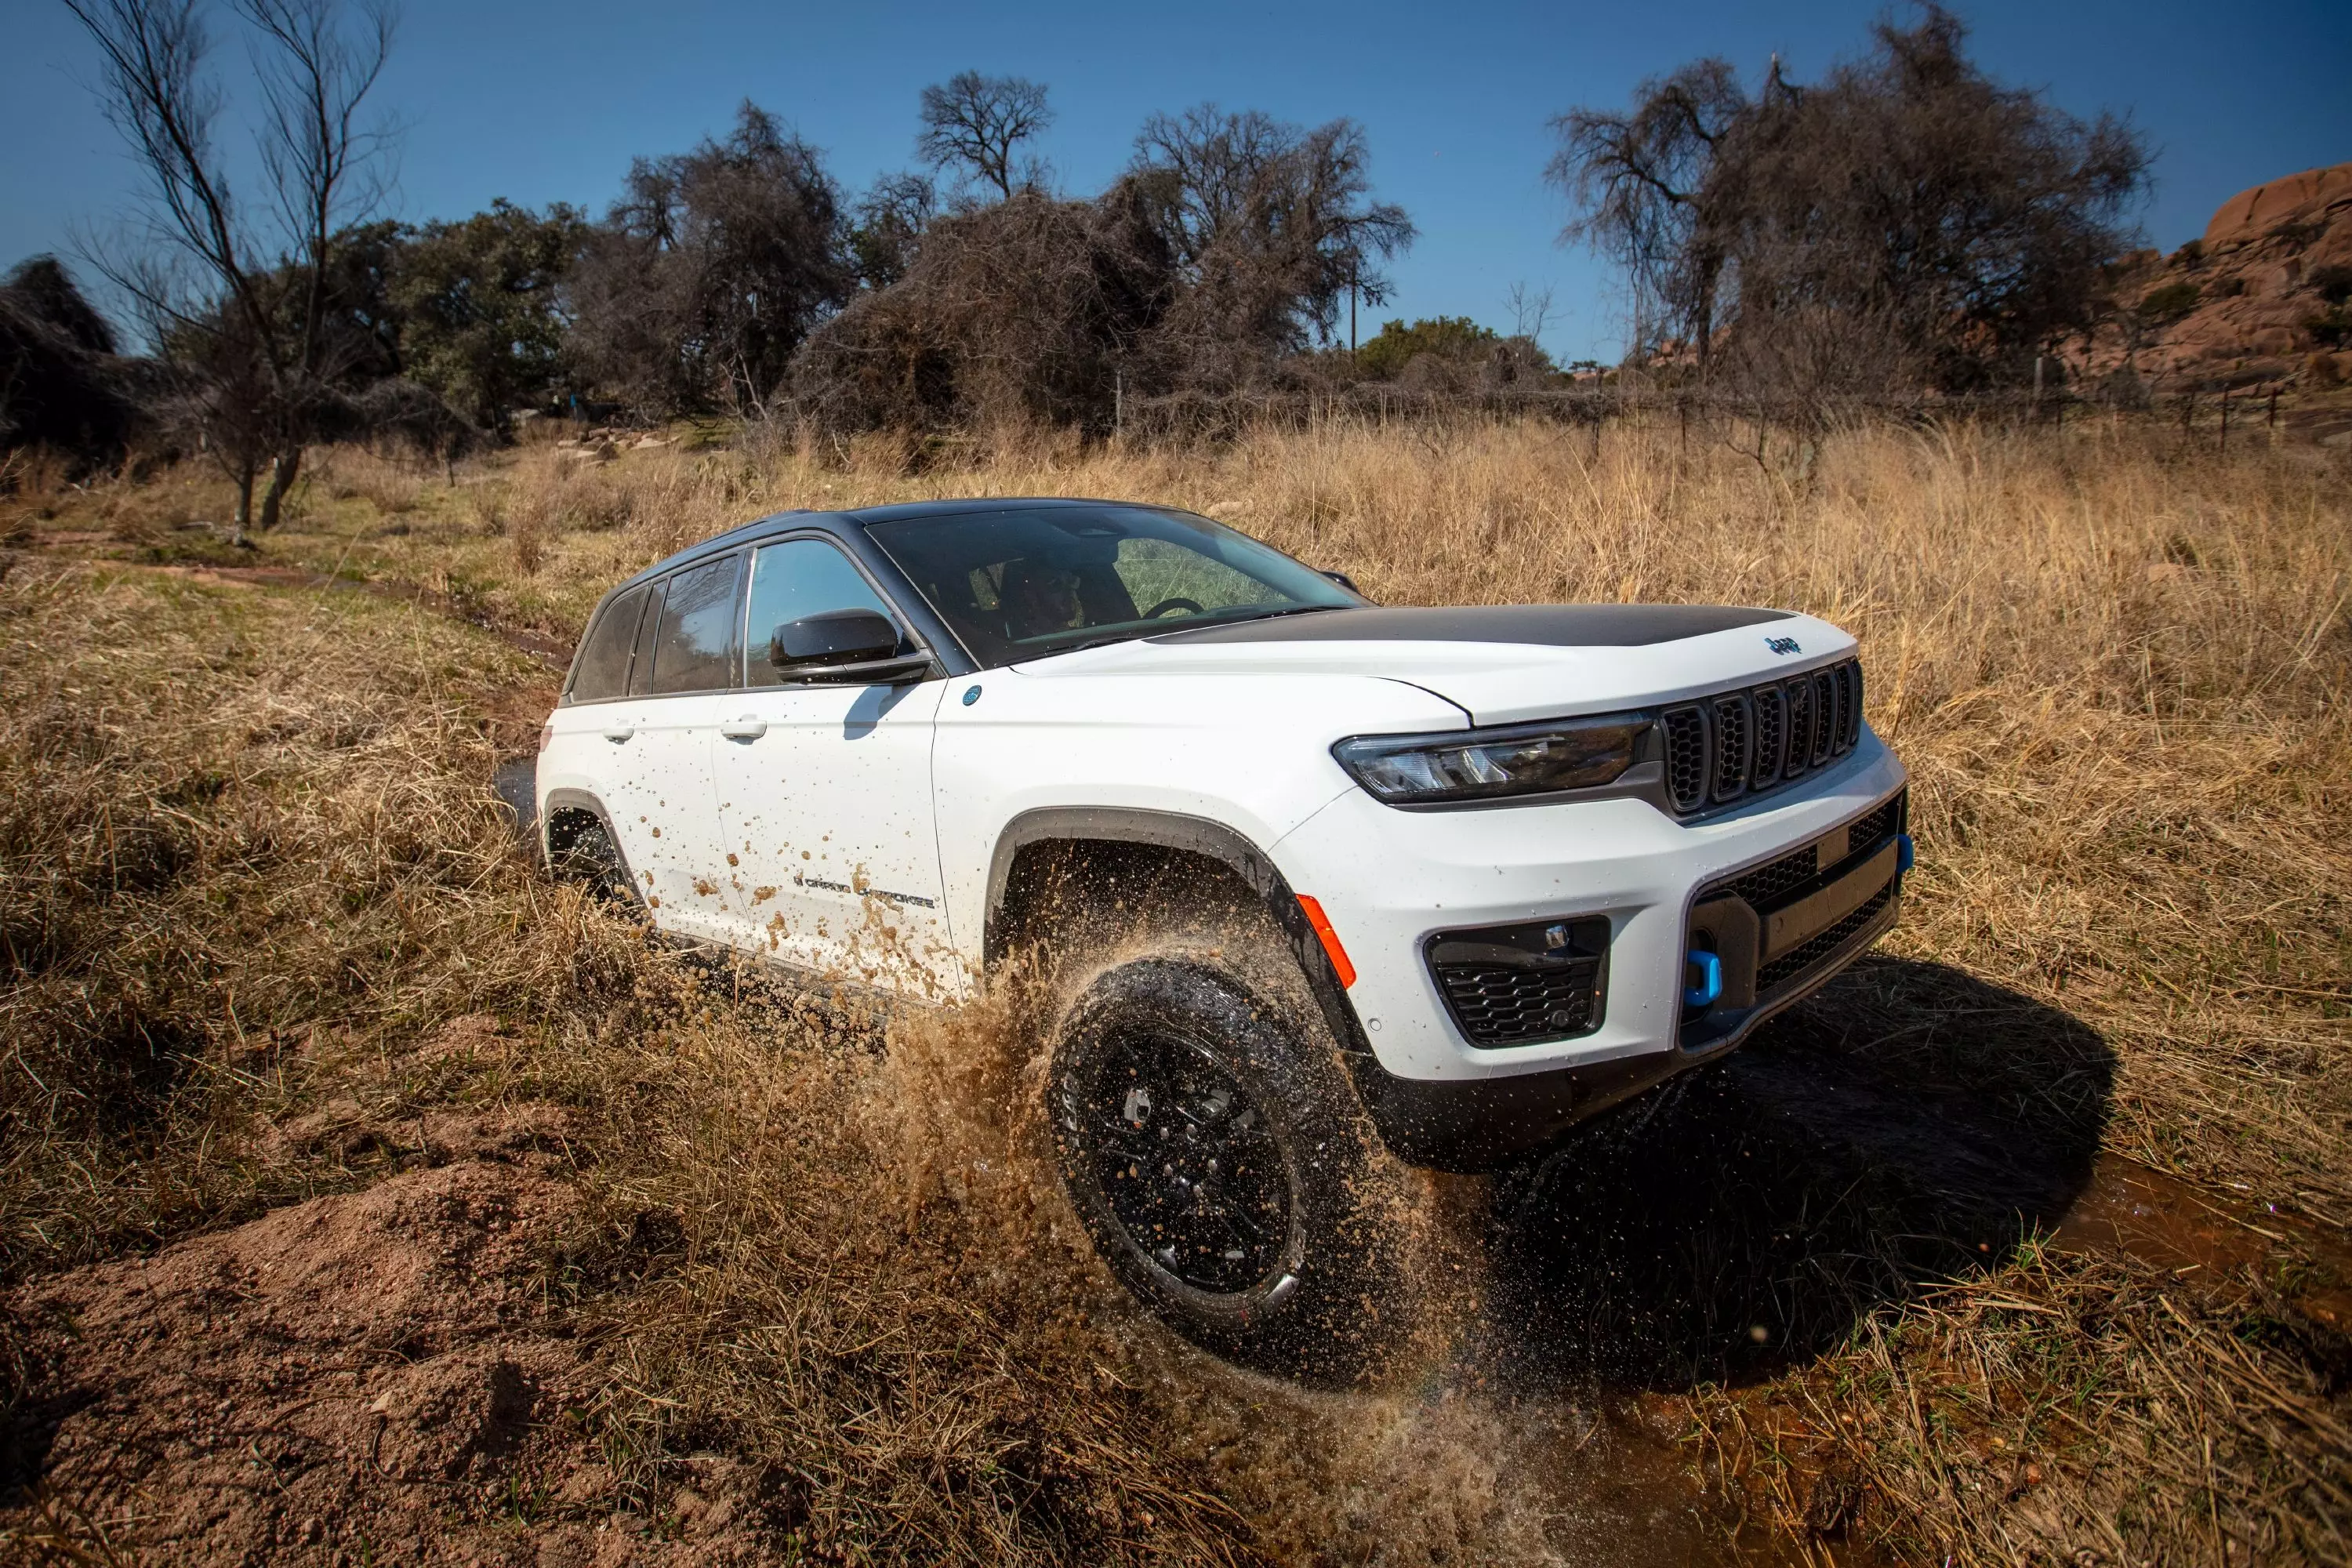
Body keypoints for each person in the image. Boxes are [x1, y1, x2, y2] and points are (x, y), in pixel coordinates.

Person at [997, 558, 1084, 641]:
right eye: (1055, 584)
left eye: (1072, 581)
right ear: (1031, 595)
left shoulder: (1088, 638)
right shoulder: (1022, 648)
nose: (1068, 590)